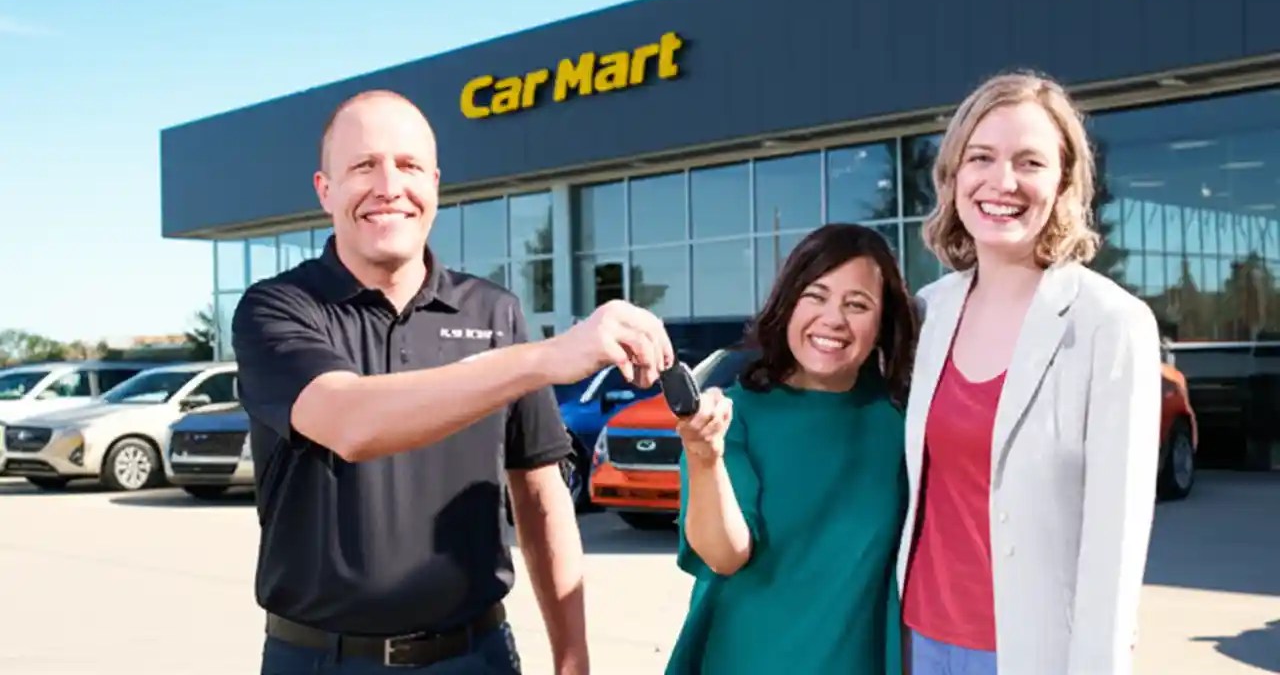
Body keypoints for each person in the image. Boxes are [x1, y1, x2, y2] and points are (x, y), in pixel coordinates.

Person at [231, 89, 674, 674]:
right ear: (325, 190)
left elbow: (541, 496)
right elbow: (350, 422)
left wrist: (573, 658)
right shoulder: (280, 308)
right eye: (363, 165)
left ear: (435, 184)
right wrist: (547, 356)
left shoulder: (494, 312)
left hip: (476, 655)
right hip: (323, 660)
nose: (388, 185)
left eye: (408, 165)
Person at [897, 70, 1162, 674]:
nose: (1002, 182)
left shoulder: (1111, 324)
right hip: (918, 638)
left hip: (1031, 652)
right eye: (981, 158)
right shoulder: (927, 312)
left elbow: (1114, 547)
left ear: (1064, 181)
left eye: (1030, 162)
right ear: (953, 176)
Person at [664, 223, 919, 675]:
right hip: (741, 659)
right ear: (788, 304)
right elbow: (724, 554)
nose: (833, 319)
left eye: (857, 304)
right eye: (815, 296)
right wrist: (705, 459)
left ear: (882, 325)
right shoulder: (732, 416)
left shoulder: (905, 423)